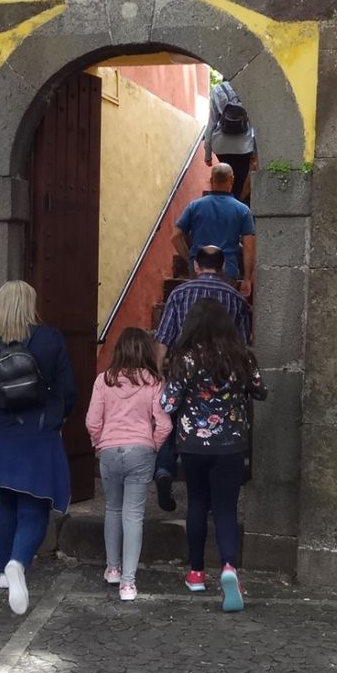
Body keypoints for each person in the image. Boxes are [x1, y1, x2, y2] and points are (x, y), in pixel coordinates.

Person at [0, 280, 77, 616]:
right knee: (34, 505)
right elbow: (69, 391)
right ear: (30, 304)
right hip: (37, 434)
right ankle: (17, 564)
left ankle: (4, 570)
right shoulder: (50, 339)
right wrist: (56, 419)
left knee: (6, 500)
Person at [160, 298, 267, 610]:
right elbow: (261, 390)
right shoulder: (242, 357)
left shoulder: (186, 359)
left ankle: (195, 573)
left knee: (197, 503)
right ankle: (229, 567)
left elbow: (167, 403)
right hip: (231, 444)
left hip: (192, 445)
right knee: (225, 509)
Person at [153, 245, 251, 513]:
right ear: (223, 267)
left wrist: (159, 371)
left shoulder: (179, 294)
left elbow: (163, 337)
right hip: (222, 377)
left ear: (196, 265)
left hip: (182, 371)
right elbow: (242, 346)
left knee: (171, 422)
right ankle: (208, 496)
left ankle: (164, 468)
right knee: (211, 435)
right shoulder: (236, 299)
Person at [86, 327, 172, 602]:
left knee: (112, 508)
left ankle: (112, 568)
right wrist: (152, 445)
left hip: (110, 450)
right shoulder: (154, 382)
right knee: (133, 515)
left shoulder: (103, 380)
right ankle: (128, 584)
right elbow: (165, 424)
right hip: (141, 450)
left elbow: (92, 421)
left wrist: (100, 442)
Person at [171, 164, 256, 296]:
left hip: (199, 270)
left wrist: (190, 259)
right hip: (227, 270)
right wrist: (247, 279)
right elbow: (249, 247)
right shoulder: (242, 210)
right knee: (223, 312)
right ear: (232, 180)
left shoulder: (194, 206)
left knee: (199, 311)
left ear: (211, 181)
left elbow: (175, 236)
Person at [204, 77, 258, 203]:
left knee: (225, 180)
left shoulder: (217, 90)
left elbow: (211, 123)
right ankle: (238, 206)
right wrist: (256, 150)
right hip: (243, 147)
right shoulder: (250, 88)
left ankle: (225, 206)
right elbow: (258, 123)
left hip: (221, 146)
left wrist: (207, 155)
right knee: (240, 183)